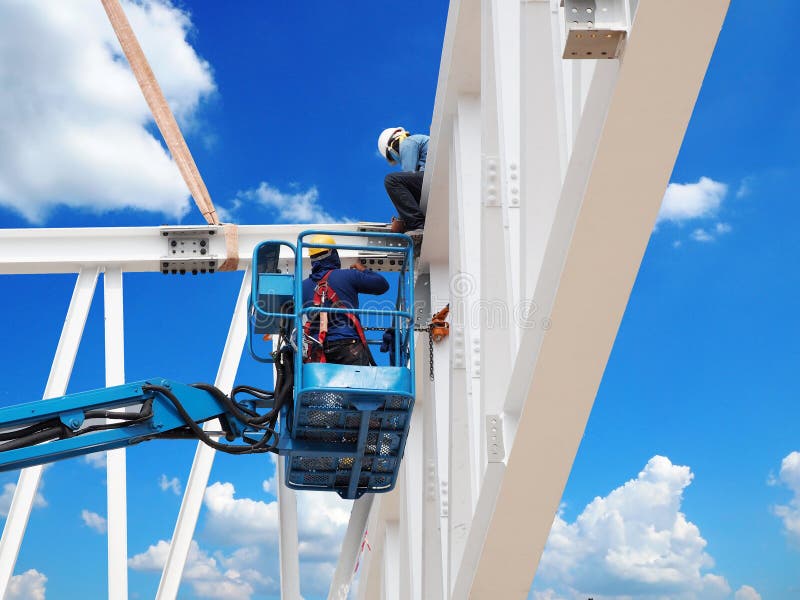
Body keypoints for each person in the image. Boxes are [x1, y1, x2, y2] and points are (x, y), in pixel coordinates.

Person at [302, 234, 389, 365]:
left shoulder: (302, 287)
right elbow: (382, 285)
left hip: (317, 351)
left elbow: (287, 312)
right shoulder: (348, 276)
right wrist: (363, 270)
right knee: (358, 379)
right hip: (348, 345)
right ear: (333, 253)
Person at [377, 127, 429, 236]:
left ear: (391, 148)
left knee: (392, 180)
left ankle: (418, 226)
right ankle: (415, 226)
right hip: (430, 179)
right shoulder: (418, 143)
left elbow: (408, 184)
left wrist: (400, 220)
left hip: (430, 178)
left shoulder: (408, 142)